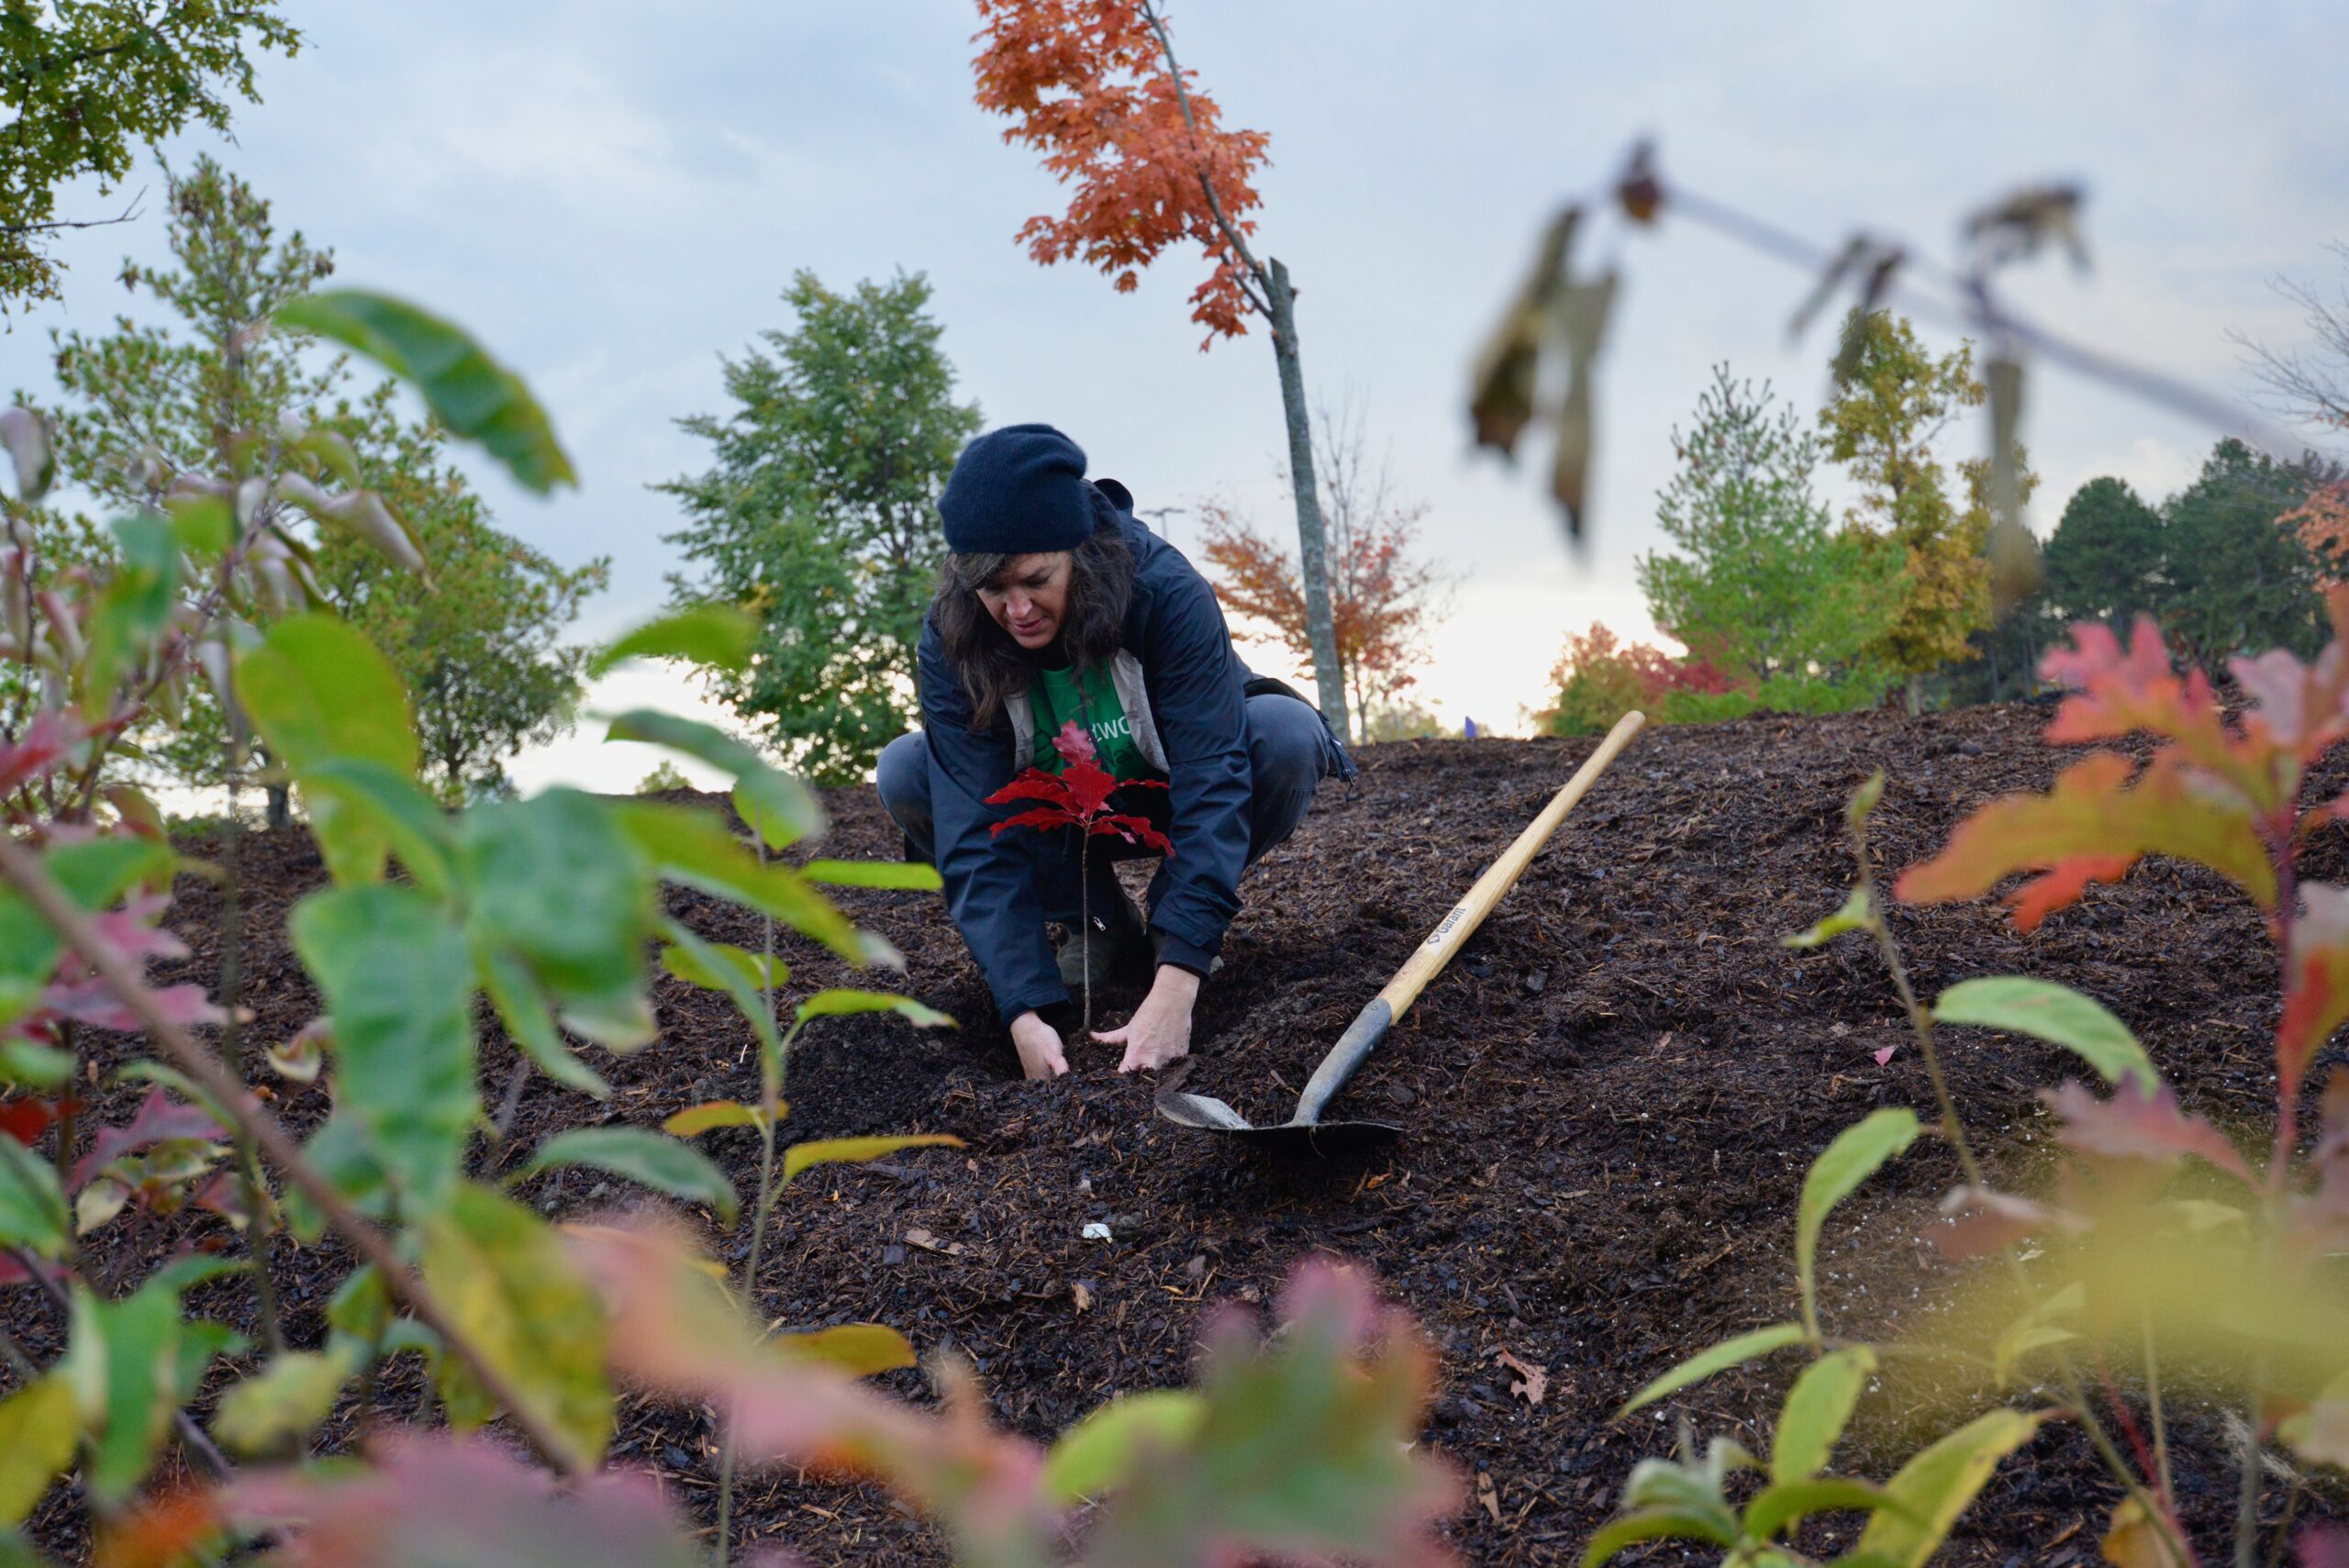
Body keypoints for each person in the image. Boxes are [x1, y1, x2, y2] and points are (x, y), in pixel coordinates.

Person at [876, 424, 1354, 1080]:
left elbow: (1216, 775)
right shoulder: (952, 637)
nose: (1016, 610)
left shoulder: (1163, 590)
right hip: (1058, 819)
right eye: (993, 590)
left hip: (1169, 794)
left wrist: (1180, 974)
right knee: (908, 769)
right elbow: (971, 830)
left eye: (1036, 579)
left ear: (1076, 550)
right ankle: (1099, 923)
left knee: (1284, 735)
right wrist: (1022, 1007)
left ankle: (1167, 929)